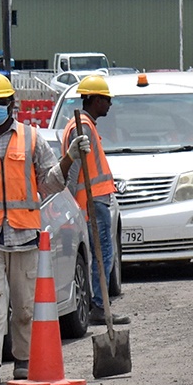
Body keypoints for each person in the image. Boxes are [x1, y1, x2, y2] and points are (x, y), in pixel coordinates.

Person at [0, 73, 79, 385]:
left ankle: (24, 360)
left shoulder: (32, 139)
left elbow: (50, 182)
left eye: (1, 102)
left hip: (25, 234)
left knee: (25, 303)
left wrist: (70, 158)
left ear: (13, 104)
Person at [62, 74, 128, 326]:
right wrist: (71, 202)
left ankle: (100, 304)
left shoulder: (86, 125)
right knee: (102, 254)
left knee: (102, 253)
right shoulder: (82, 128)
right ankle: (99, 306)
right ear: (93, 99)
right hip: (90, 202)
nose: (109, 104)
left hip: (96, 200)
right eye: (106, 99)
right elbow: (74, 167)